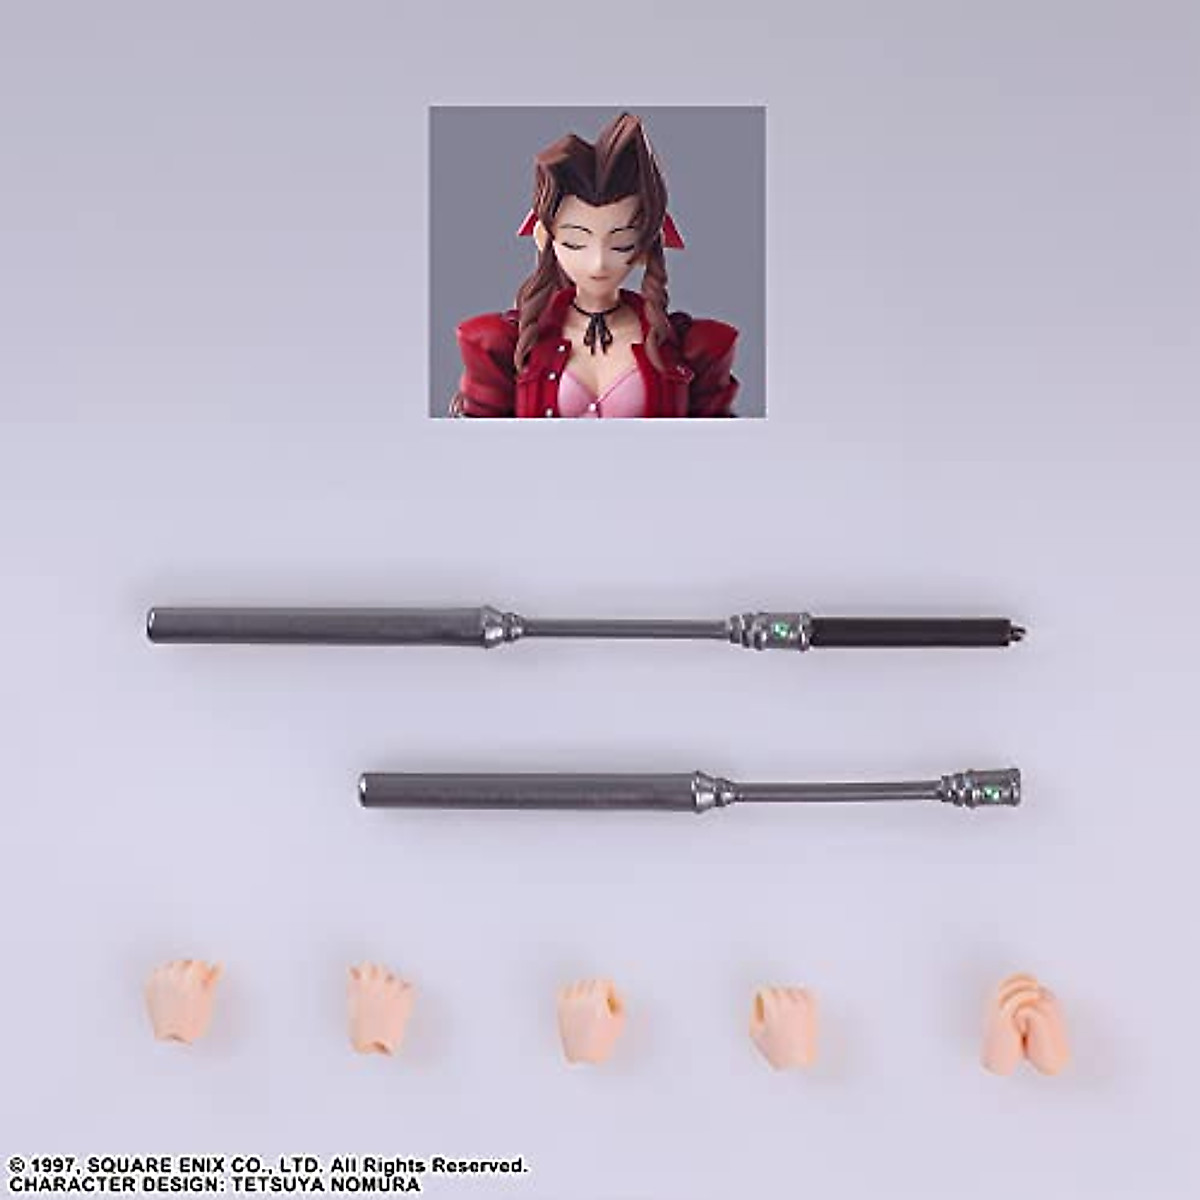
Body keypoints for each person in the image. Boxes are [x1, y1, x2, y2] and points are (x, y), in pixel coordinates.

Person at [449, 112, 738, 418]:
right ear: (545, 238)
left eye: (621, 243)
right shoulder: (504, 345)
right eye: (575, 242)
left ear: (645, 247)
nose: (598, 263)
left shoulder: (692, 348)